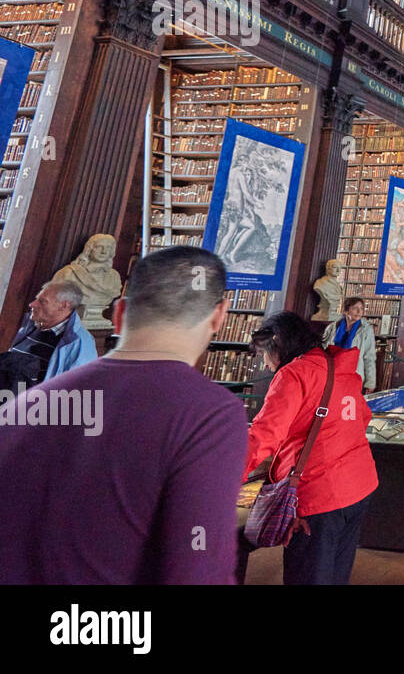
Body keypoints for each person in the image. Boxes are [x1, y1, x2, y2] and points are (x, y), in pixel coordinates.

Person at [0, 246, 247, 583]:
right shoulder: (209, 414)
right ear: (220, 316)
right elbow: (198, 565)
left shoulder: (26, 406)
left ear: (118, 314)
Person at [244, 311, 378, 585]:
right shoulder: (339, 367)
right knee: (335, 574)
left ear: (278, 344)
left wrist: (223, 477)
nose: (268, 366)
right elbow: (362, 417)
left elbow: (264, 436)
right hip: (359, 486)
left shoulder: (293, 375)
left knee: (308, 575)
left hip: (318, 495)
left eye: (266, 355)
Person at [0, 280, 98, 390]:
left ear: (64, 306)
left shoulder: (80, 342)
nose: (32, 304)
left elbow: (78, 389)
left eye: (42, 301)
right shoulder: (30, 326)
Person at [322, 295, 376, 394]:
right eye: (355, 308)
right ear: (346, 311)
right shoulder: (332, 327)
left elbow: (369, 357)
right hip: (333, 372)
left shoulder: (366, 329)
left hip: (354, 373)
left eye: (361, 309)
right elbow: (324, 350)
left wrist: (370, 383)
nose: (359, 312)